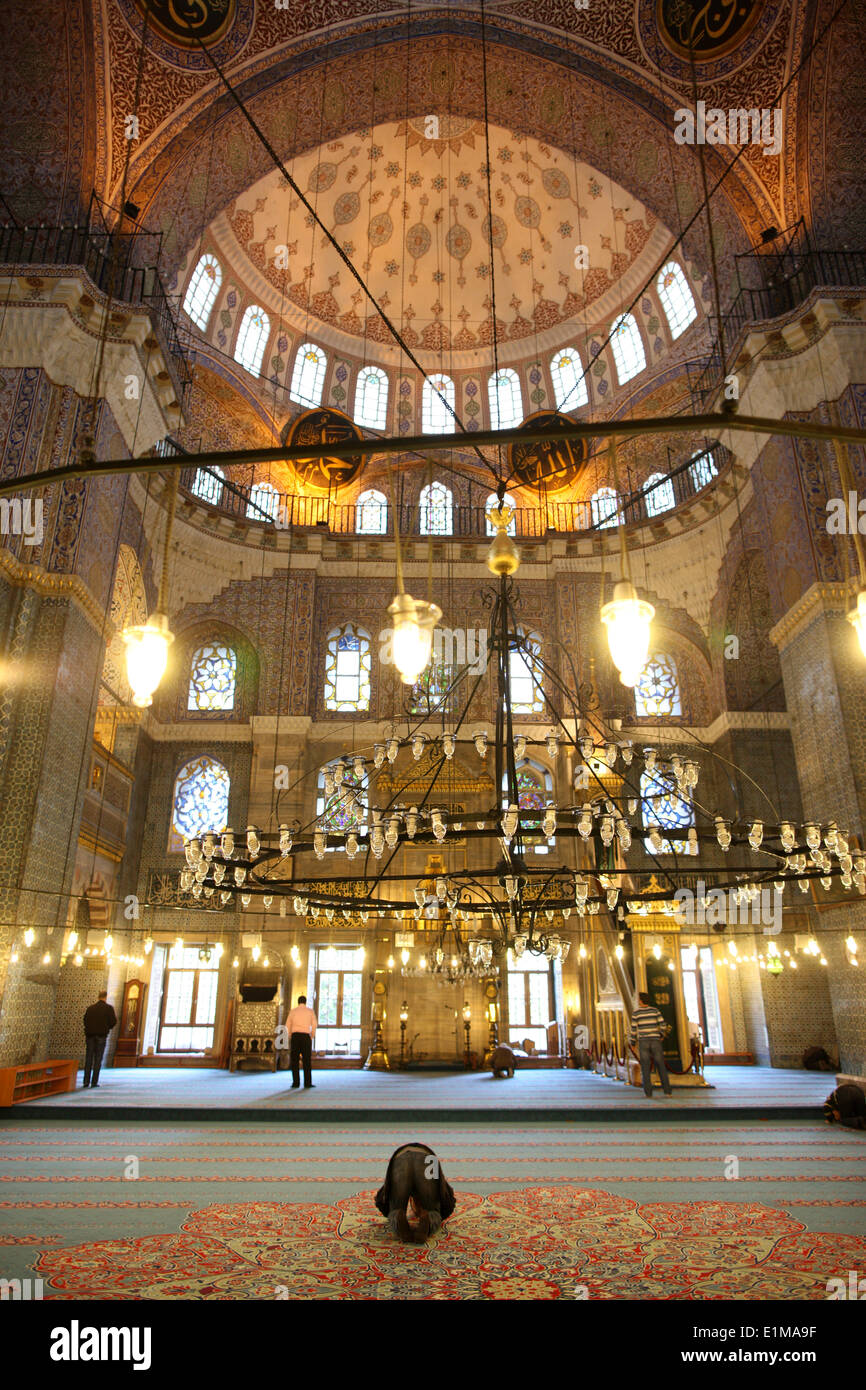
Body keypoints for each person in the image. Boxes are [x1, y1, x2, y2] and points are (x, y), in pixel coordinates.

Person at [628, 992, 673, 1098]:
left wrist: (633, 1043)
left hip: (643, 1041)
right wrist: (661, 1035)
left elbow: (634, 1030)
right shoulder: (655, 1011)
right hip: (655, 1040)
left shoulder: (636, 1013)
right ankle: (667, 1091)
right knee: (661, 1066)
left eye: (638, 999)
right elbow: (662, 1025)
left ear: (641, 1000)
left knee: (645, 1067)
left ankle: (648, 1093)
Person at [82, 990, 117, 1089]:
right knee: (98, 1059)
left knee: (88, 1059)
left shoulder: (90, 1008)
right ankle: (94, 1082)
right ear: (106, 997)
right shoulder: (109, 1008)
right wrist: (106, 1028)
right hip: (101, 1036)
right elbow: (113, 1021)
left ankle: (85, 1082)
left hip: (90, 1036)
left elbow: (85, 1020)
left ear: (98, 997)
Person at [286, 994, 317, 1090]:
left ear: (298, 1002)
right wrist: (312, 1035)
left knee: (294, 1060)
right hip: (305, 1036)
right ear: (305, 1002)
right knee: (307, 1060)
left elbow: (287, 1024)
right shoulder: (310, 1011)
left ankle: (296, 1083)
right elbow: (314, 1024)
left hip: (295, 1036)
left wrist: (290, 1035)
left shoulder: (293, 1011)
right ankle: (307, 1083)